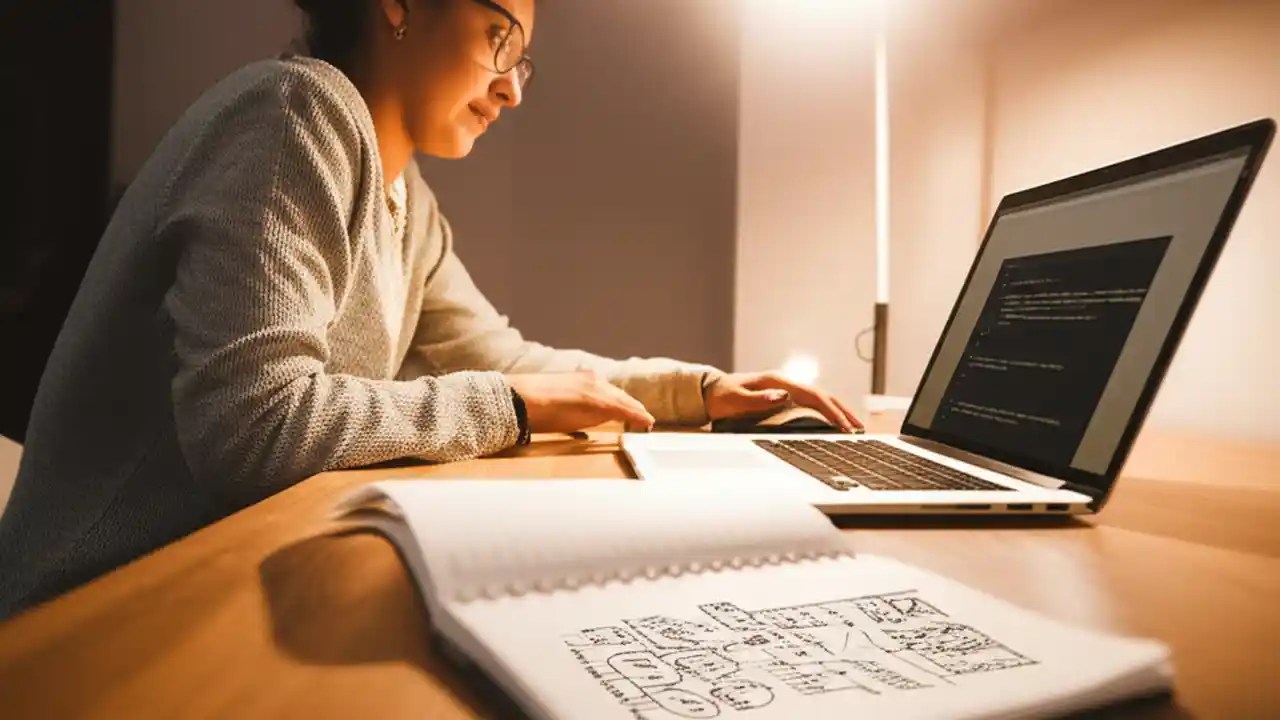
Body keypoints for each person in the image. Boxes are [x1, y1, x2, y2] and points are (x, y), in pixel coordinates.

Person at [0, 0, 861, 618]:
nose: (512, 88)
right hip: (85, 612)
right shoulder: (292, 113)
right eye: (499, 39)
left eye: (521, 59)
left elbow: (505, 361)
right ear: (400, 7)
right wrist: (512, 410)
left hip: (199, 584)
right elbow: (251, 423)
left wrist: (699, 391)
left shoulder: (405, 197)